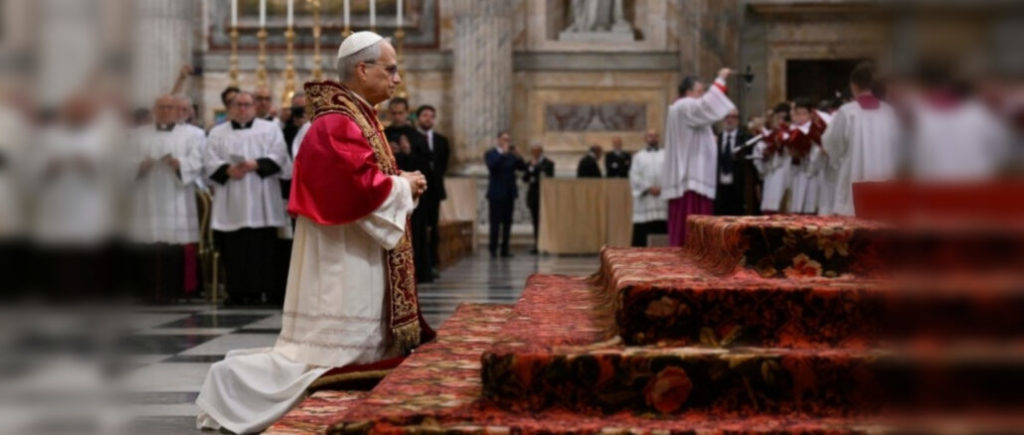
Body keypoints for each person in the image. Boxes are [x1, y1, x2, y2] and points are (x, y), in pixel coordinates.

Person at [197, 31, 434, 434]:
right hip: (344, 259)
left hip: (357, 250)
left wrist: (398, 179)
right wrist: (403, 187)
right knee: (332, 356)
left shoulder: (354, 115)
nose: (397, 80)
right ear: (363, 69)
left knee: (355, 352)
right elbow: (354, 188)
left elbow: (368, 177)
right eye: (390, 69)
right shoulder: (336, 123)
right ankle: (232, 386)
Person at [201, 92, 290, 306]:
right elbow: (209, 159)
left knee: (263, 249)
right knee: (233, 249)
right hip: (231, 200)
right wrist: (226, 170)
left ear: (254, 107)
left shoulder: (269, 129)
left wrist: (256, 164)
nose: (242, 109)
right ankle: (236, 293)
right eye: (237, 105)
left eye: (247, 105)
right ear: (229, 108)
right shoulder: (217, 132)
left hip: (262, 198)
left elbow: (279, 155)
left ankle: (263, 292)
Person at [126, 95, 204, 303]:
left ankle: (173, 292)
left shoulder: (192, 135)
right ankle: (146, 292)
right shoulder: (138, 135)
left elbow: (198, 160)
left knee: (172, 245)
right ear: (154, 110)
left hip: (175, 197)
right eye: (161, 107)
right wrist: (138, 165)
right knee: (147, 244)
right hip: (147, 198)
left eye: (170, 107)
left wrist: (180, 164)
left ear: (178, 110)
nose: (165, 111)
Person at [662, 68, 735, 246]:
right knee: (692, 220)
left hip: (694, 173)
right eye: (700, 92)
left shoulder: (683, 108)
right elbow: (706, 107)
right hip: (691, 175)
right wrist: (720, 81)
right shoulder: (684, 105)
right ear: (688, 92)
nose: (702, 96)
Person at [821, 62, 901, 216]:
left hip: (854, 177)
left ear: (854, 85)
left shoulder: (847, 112)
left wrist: (834, 156)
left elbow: (832, 143)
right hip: (884, 178)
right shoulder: (890, 113)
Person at [385, 97, 434, 282]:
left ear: (407, 113)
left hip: (413, 195)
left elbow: (426, 167)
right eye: (394, 113)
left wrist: (407, 153)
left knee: (417, 233)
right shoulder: (383, 134)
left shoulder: (417, 136)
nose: (397, 117)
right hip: (390, 194)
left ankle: (418, 272)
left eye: (401, 113)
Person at [416, 104, 450, 277]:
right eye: (424, 115)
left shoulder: (441, 141)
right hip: (417, 190)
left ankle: (433, 263)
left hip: (434, 190)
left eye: (431, 116)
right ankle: (420, 264)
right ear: (418, 118)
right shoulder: (413, 137)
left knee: (433, 228)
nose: (428, 119)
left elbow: (443, 164)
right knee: (418, 228)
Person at [485, 131, 526, 258]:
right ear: (498, 140)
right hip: (496, 194)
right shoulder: (491, 153)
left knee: (507, 223)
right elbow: (493, 166)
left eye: (508, 139)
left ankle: (505, 249)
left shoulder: (511, 156)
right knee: (495, 223)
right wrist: (503, 153)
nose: (506, 142)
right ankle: (493, 249)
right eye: (504, 139)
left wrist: (519, 156)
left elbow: (522, 168)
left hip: (509, 193)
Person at [629, 130, 668, 247]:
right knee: (643, 230)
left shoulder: (666, 154)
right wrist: (648, 188)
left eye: (655, 136)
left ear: (659, 138)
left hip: (662, 197)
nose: (653, 138)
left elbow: (671, 173)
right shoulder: (638, 157)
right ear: (645, 139)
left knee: (662, 226)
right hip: (646, 198)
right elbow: (634, 176)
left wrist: (663, 188)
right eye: (650, 136)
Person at [752, 103, 793, 214]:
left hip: (788, 182)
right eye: (778, 118)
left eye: (784, 118)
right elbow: (760, 168)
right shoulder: (764, 140)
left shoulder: (792, 136)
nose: (781, 122)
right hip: (771, 182)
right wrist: (766, 155)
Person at [714, 109, 751, 215]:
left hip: (738, 188)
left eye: (733, 117)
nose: (729, 120)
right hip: (719, 188)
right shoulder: (717, 139)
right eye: (727, 117)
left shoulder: (745, 138)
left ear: (738, 120)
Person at [522, 140, 554, 253]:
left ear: (541, 151)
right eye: (533, 151)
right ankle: (537, 245)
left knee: (544, 221)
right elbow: (525, 178)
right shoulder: (529, 163)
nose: (535, 153)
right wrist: (531, 168)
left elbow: (548, 178)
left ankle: (546, 244)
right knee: (535, 221)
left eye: (537, 151)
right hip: (533, 197)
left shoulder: (548, 163)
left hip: (544, 196)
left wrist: (535, 172)